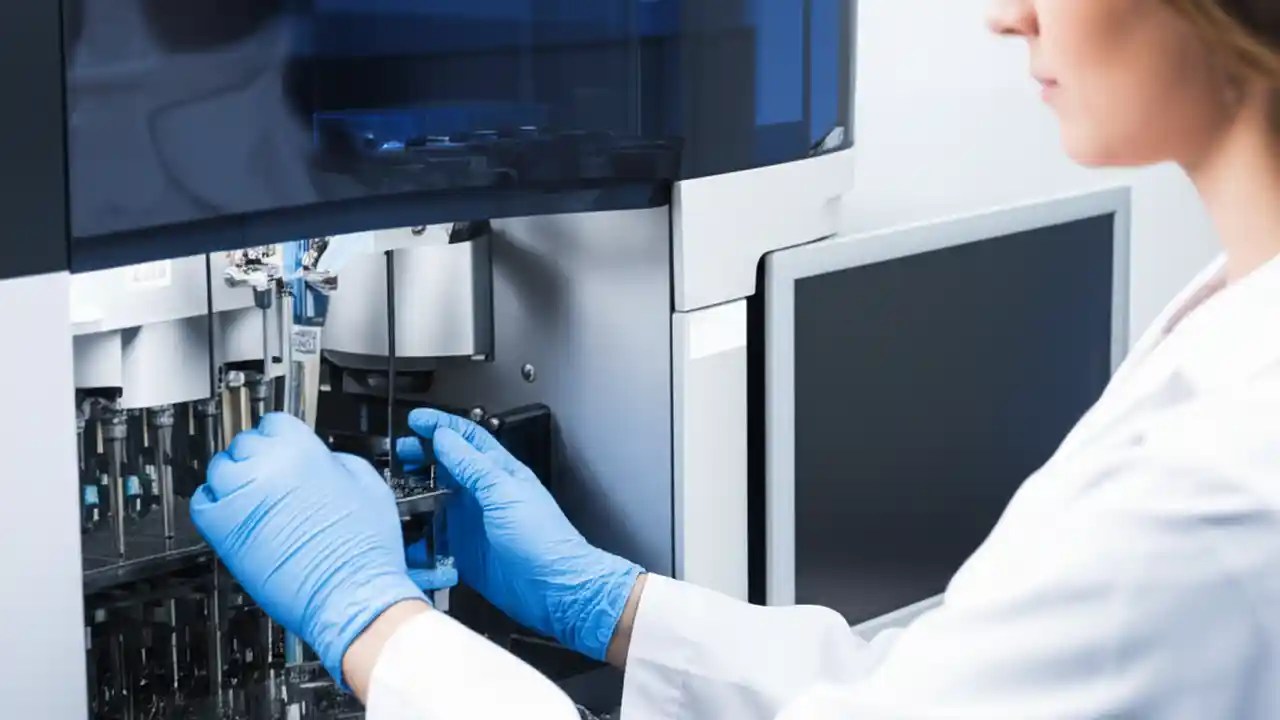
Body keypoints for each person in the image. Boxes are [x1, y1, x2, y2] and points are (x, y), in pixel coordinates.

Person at [190, 0, 1280, 717]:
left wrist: (376, 626)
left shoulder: (1220, 481)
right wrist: (611, 606)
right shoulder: (1230, 314)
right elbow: (911, 694)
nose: (1007, 15)